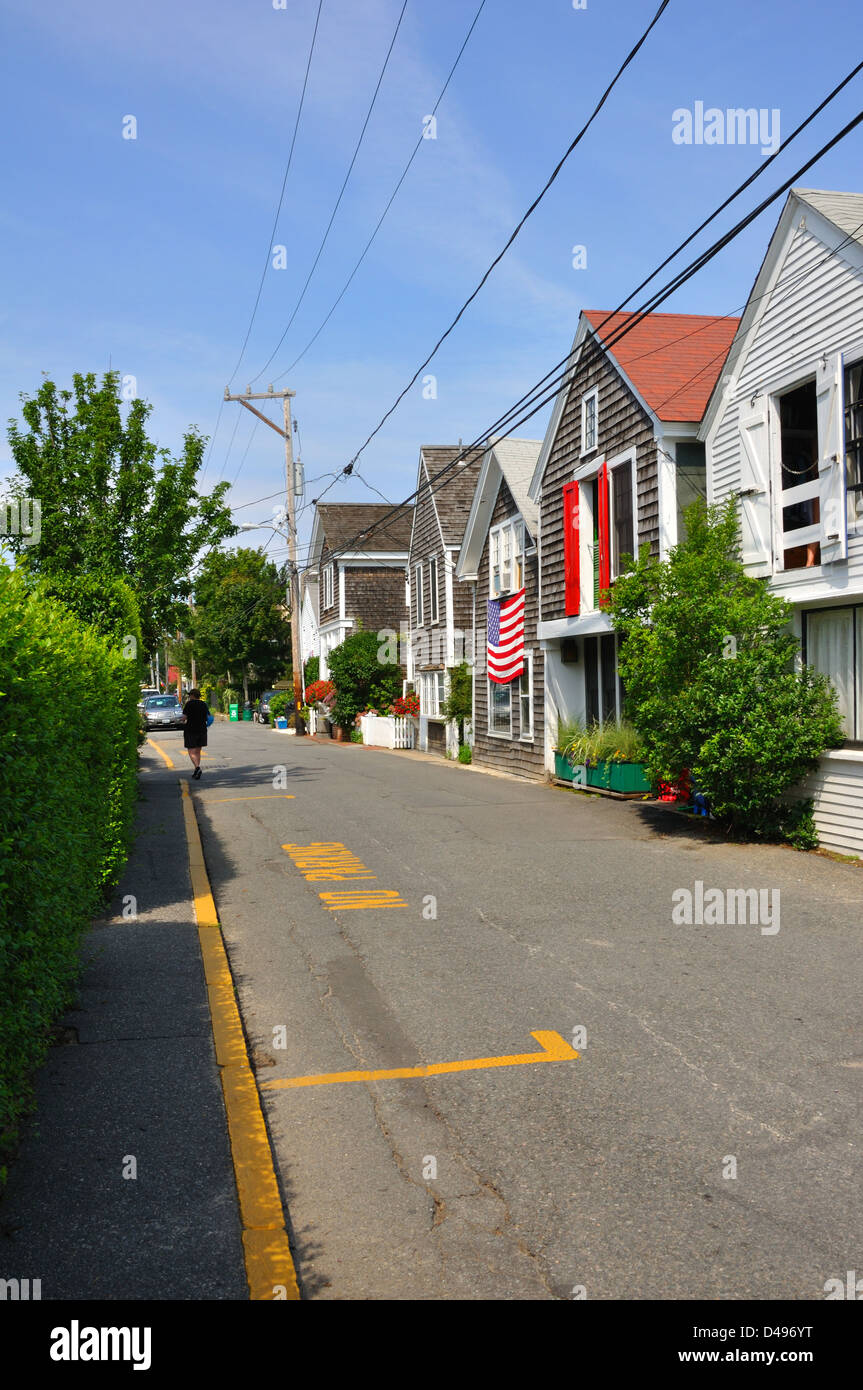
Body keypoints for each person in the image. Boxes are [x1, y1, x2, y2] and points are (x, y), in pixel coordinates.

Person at [182, 687, 210, 779]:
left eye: (190, 695)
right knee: (198, 751)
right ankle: (196, 770)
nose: (189, 697)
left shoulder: (189, 704)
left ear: (193, 695)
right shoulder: (204, 704)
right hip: (202, 730)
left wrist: (181, 720)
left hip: (191, 730)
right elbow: (208, 717)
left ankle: (197, 768)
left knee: (191, 751)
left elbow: (184, 717)